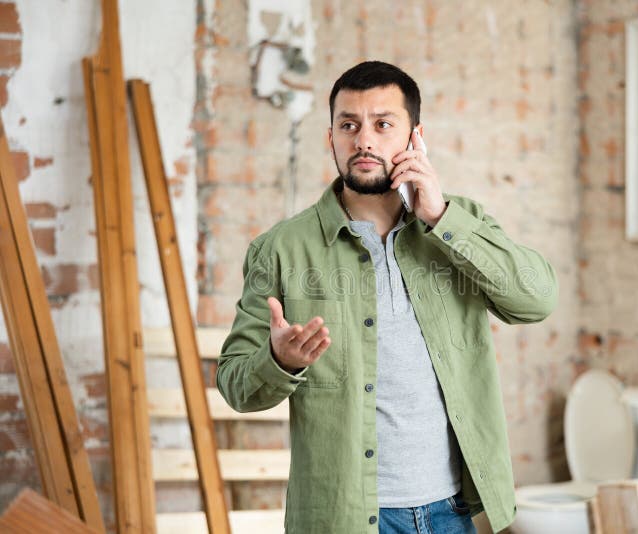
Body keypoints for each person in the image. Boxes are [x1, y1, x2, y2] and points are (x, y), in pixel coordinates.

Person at [217, 61, 558, 534]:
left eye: (383, 124)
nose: (364, 141)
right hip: (344, 517)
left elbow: (537, 299)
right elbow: (235, 384)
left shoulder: (462, 224)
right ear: (330, 137)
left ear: (415, 137)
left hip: (452, 513)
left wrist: (441, 218)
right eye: (349, 125)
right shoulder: (280, 250)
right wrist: (279, 359)